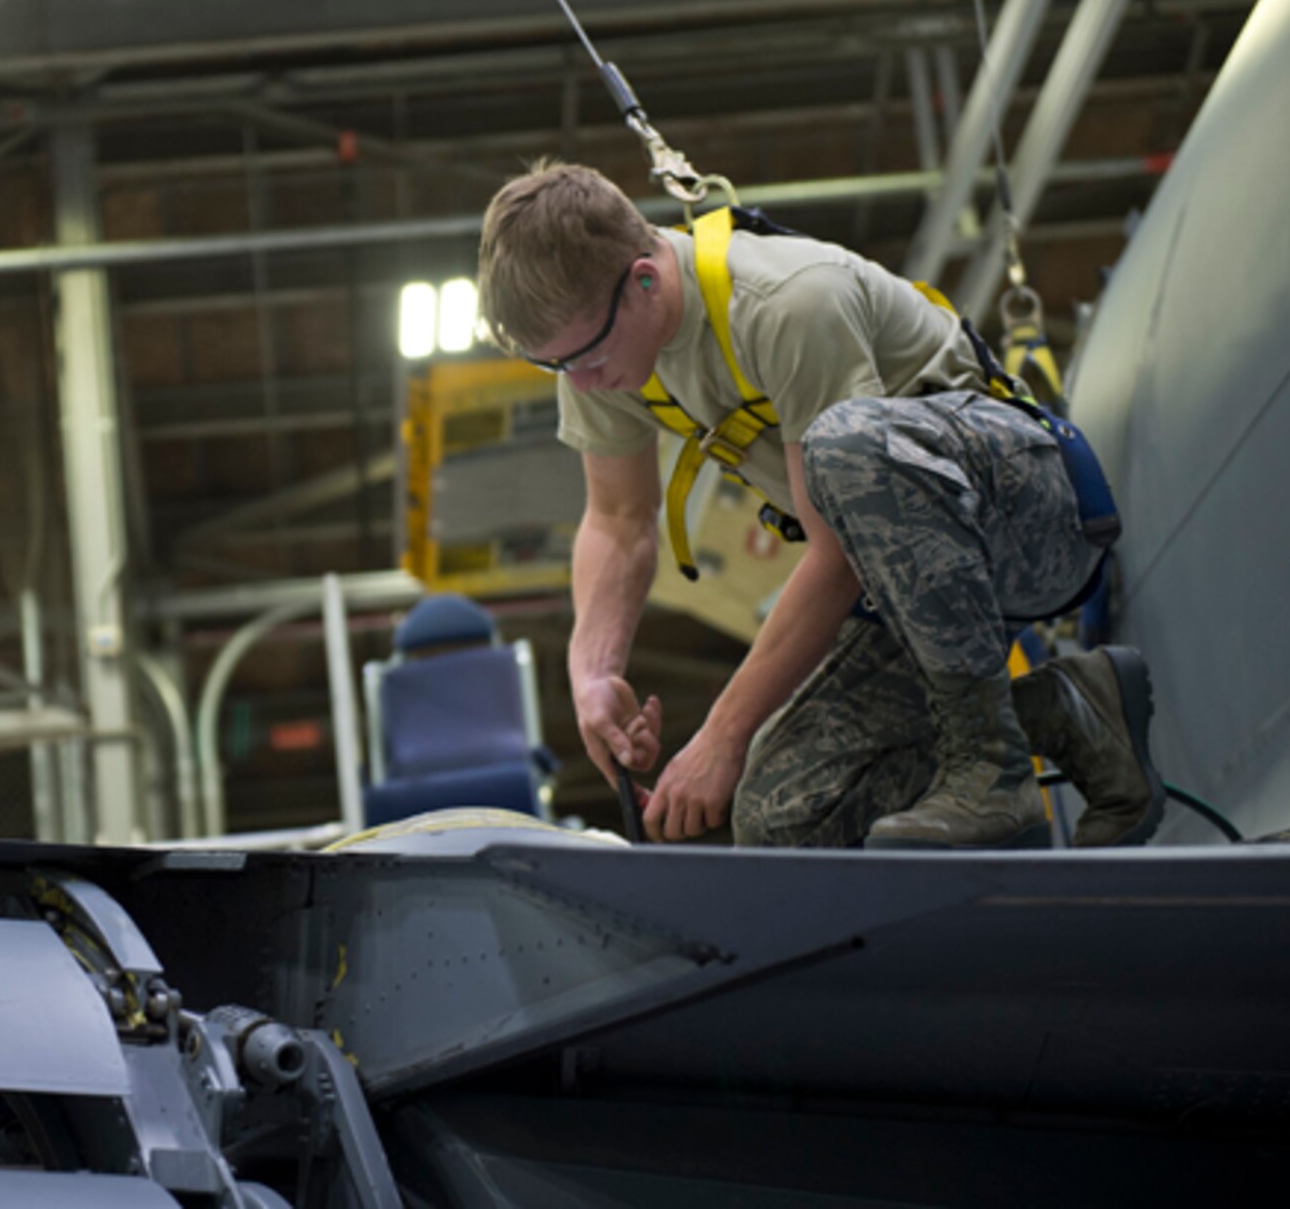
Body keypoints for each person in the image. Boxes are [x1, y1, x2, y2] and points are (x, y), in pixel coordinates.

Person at [475, 160, 1162, 848]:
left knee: (845, 445)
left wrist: (722, 734)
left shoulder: (787, 302)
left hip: (1029, 520)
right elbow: (619, 523)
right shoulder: (602, 351)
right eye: (557, 366)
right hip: (903, 586)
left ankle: (992, 772)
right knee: (781, 816)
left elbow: (836, 551)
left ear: (644, 282)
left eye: (583, 359)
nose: (583, 385)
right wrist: (591, 674)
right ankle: (1066, 712)